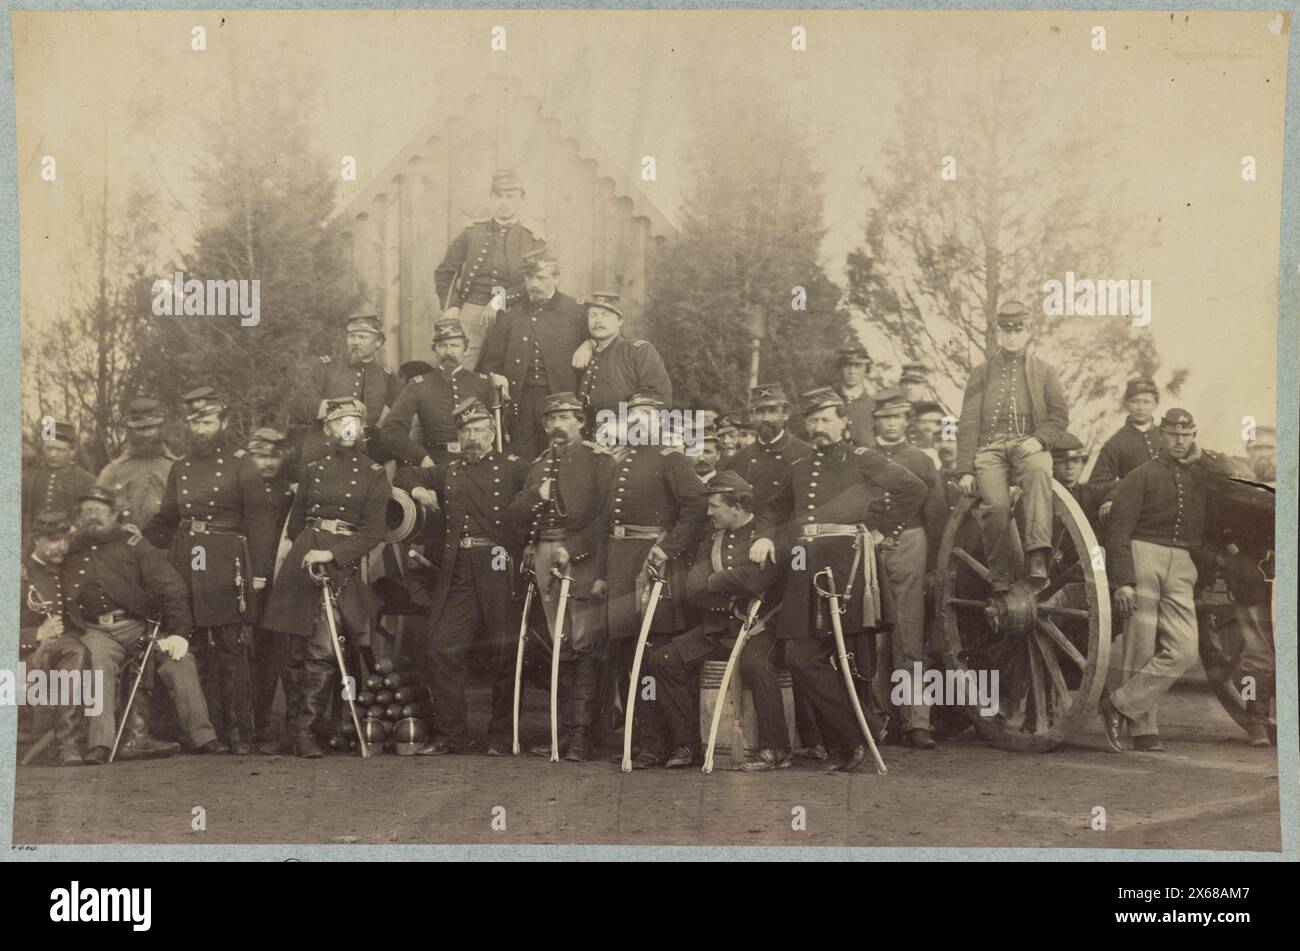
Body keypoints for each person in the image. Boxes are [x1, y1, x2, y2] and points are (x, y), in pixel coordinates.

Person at [751, 387, 927, 772]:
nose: (819, 427)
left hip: (847, 568)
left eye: (826, 419)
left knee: (852, 658)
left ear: (844, 422)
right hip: (805, 568)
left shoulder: (863, 458)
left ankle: (846, 746)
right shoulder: (799, 466)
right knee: (800, 657)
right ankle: (853, 738)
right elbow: (773, 510)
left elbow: (913, 488)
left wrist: (883, 530)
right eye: (812, 421)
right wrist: (764, 535)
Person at [394, 399, 530, 756]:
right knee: (441, 647)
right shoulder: (448, 471)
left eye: (480, 430)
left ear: (492, 433)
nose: (473, 436)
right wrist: (418, 490)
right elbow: (405, 473)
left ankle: (502, 734)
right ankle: (453, 734)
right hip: (459, 567)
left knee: (504, 649)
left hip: (499, 561)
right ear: (459, 436)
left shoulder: (513, 468)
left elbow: (534, 502)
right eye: (466, 431)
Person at [145, 388, 277, 755]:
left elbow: (260, 521)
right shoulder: (181, 466)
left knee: (233, 648)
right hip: (188, 559)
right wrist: (136, 542)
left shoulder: (240, 463)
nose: (200, 428)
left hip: (227, 561)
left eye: (206, 421)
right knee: (192, 645)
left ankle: (239, 731)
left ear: (221, 421)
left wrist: (260, 573)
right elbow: (167, 519)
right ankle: (200, 732)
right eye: (194, 422)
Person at [1099, 408, 1238, 753]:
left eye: (1186, 435)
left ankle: (1118, 705)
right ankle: (1145, 730)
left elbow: (1232, 471)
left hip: (1182, 564)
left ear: (1194, 436)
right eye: (1173, 435)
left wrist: (1200, 456)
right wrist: (1124, 582)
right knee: (1140, 646)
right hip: (1143, 555)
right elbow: (1118, 531)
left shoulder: (1202, 473)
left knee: (1185, 650)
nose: (1179, 441)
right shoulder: (1140, 475)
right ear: (1161, 435)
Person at [260, 398, 392, 758]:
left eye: (353, 421)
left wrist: (334, 554)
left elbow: (374, 530)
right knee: (292, 649)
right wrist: (309, 547)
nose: (346, 428)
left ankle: (305, 730)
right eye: (338, 422)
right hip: (303, 557)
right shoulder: (314, 469)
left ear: (362, 428)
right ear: (328, 430)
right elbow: (298, 520)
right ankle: (294, 729)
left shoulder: (374, 472)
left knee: (321, 648)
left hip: (339, 561)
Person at [65, 487, 224, 764]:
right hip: (96, 632)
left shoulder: (134, 545)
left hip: (137, 627)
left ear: (114, 514)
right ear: (79, 518)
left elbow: (171, 587)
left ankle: (203, 737)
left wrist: (179, 634)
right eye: (87, 512)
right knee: (100, 667)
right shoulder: (71, 549)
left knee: (180, 659)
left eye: (99, 510)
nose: (93, 517)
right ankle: (100, 745)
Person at [641, 471, 789, 769]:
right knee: (663, 660)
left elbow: (756, 578)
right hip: (718, 630)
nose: (708, 513)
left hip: (760, 629)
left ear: (736, 506)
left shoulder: (765, 540)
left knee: (755, 665)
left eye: (714, 507)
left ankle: (776, 750)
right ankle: (687, 745)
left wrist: (716, 580)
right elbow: (693, 590)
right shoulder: (711, 541)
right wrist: (732, 587)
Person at [507, 392, 615, 761]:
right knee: (560, 641)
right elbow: (516, 512)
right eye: (551, 419)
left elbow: (605, 519)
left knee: (584, 641)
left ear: (581, 422)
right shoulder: (538, 465)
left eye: (565, 418)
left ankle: (584, 733)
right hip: (545, 555)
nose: (557, 426)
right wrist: (538, 495)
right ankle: (564, 732)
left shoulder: (597, 461)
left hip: (581, 557)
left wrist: (581, 552)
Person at [602, 392, 708, 766]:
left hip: (654, 567)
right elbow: (608, 522)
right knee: (629, 660)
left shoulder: (672, 458)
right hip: (621, 569)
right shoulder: (622, 459)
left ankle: (680, 743)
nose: (637, 421)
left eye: (646, 415)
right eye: (632, 415)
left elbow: (696, 504)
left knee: (657, 657)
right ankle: (644, 742)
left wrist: (669, 549)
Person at [725, 383, 825, 758]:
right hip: (753, 561)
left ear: (785, 414)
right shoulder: (740, 459)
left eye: (772, 411)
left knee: (800, 647)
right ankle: (774, 741)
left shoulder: (804, 454)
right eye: (759, 412)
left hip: (795, 561)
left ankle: (814, 738)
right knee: (766, 650)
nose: (765, 419)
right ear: (751, 416)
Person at [953, 301, 1069, 589]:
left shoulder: (1045, 371)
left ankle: (1038, 554)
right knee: (996, 506)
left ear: (1028, 331)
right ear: (998, 333)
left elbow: (1059, 417)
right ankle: (1000, 572)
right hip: (990, 450)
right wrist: (965, 470)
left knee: (1040, 469)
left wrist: (1038, 440)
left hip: (1028, 445)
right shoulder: (981, 373)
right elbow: (968, 423)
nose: (1012, 337)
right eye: (1006, 331)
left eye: (1018, 330)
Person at [867, 388, 950, 749]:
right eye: (883, 418)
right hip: (867, 545)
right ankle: (879, 719)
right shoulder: (862, 459)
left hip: (911, 544)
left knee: (909, 632)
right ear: (876, 422)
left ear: (906, 421)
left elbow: (936, 516)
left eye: (896, 417)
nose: (890, 424)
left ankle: (917, 719)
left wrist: (933, 568)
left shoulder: (920, 460)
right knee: (872, 634)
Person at [478, 246, 589, 461]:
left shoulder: (576, 310)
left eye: (541, 278)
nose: (534, 284)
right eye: (529, 278)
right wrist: (495, 376)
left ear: (556, 278)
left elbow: (608, 338)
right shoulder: (510, 313)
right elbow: (491, 361)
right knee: (522, 457)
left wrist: (590, 343)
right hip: (519, 400)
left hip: (559, 399)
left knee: (560, 454)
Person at [435, 169, 546, 369]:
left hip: (514, 309)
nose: (504, 202)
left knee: (507, 368)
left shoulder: (532, 238)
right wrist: (452, 306)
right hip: (472, 306)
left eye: (510, 196)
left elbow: (537, 282)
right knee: (460, 365)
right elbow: (445, 273)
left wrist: (499, 300)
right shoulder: (472, 232)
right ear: (491, 198)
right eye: (498, 196)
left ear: (522, 199)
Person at [20, 511, 93, 766]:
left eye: (65, 540)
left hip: (62, 646)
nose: (61, 546)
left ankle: (68, 744)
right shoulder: (18, 573)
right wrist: (35, 634)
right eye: (53, 540)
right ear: (37, 539)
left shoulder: (69, 567)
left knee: (77, 652)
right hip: (23, 652)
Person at [381, 318, 501, 468]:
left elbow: (502, 428)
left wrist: (502, 390)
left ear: (466, 349)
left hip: (479, 463)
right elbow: (391, 429)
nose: (449, 352)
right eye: (442, 346)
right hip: (436, 464)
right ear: (435, 350)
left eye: (455, 346)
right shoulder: (419, 385)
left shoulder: (483, 383)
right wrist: (421, 458)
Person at [289, 313, 402, 464]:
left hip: (364, 457)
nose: (355, 342)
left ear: (378, 342)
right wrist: (338, 407)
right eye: (352, 336)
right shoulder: (326, 367)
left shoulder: (386, 376)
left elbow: (403, 415)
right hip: (324, 453)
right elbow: (298, 404)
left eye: (362, 337)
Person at [244, 427, 297, 749]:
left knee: (283, 655)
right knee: (252, 657)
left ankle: (294, 728)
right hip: (249, 582)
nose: (266, 463)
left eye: (272, 457)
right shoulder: (240, 491)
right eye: (259, 456)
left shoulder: (289, 494)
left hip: (281, 584)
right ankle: (255, 723)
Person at [577, 293, 672, 437]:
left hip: (630, 439)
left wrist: (622, 429)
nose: (598, 320)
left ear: (620, 321)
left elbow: (657, 396)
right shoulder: (586, 354)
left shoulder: (638, 351)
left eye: (605, 315)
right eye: (593, 315)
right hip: (590, 439)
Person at [96, 397, 178, 531]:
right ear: (130, 431)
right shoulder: (112, 471)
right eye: (140, 429)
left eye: (151, 428)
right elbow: (98, 515)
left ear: (161, 428)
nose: (146, 434)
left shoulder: (176, 467)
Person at [22, 417, 96, 546]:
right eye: (48, 448)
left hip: (72, 544)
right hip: (33, 545)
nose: (53, 454)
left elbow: (91, 517)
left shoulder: (87, 480)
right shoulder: (30, 477)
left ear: (72, 451)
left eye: (60, 450)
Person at [1091, 378, 1162, 506]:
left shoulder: (1166, 436)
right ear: (1126, 404)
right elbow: (1098, 485)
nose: (1140, 407)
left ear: (1155, 404)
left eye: (1146, 402)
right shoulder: (1116, 443)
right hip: (1135, 507)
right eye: (1135, 401)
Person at [831, 345, 876, 445]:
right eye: (847, 365)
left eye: (858, 366)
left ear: (866, 369)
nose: (852, 371)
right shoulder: (829, 401)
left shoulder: (874, 405)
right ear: (839, 368)